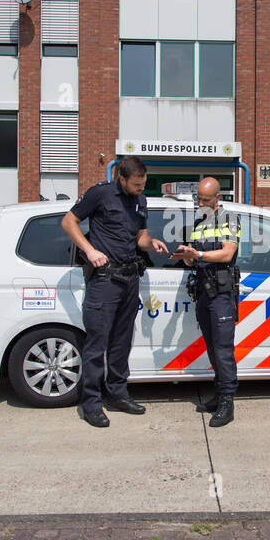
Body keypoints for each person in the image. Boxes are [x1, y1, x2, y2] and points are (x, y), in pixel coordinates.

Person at [61, 156, 169, 428]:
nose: (141, 188)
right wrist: (90, 250)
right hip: (104, 281)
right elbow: (68, 222)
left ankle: (118, 394)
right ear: (121, 178)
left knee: (122, 343)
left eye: (143, 184)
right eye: (136, 184)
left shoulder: (140, 200)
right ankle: (92, 404)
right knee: (97, 345)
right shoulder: (100, 194)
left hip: (130, 278)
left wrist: (151, 242)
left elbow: (140, 237)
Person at [172, 177, 240, 427]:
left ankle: (227, 403)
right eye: (198, 198)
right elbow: (193, 259)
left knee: (223, 350)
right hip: (203, 291)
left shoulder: (229, 220)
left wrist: (198, 254)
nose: (200, 203)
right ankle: (218, 394)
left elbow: (227, 253)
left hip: (221, 293)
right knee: (212, 348)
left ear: (217, 198)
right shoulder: (198, 222)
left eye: (205, 200)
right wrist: (186, 255)